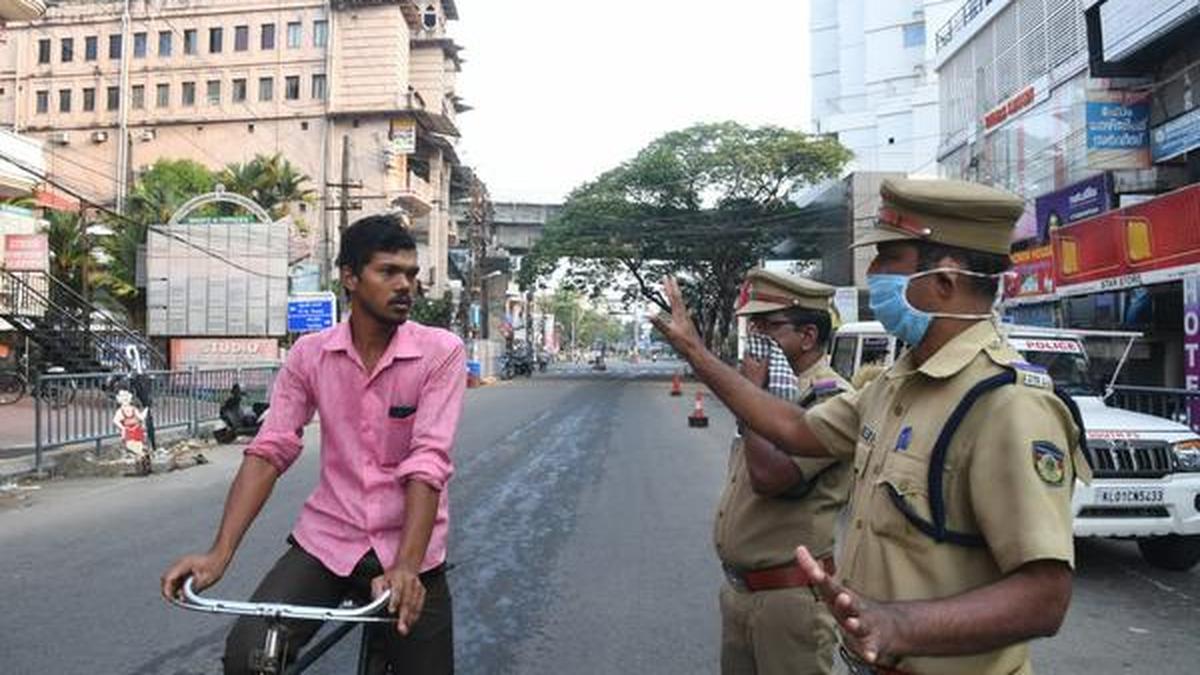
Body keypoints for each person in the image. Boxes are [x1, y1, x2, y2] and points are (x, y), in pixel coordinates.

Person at [652, 178, 1090, 675]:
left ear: (945, 279)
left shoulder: (1007, 403)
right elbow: (795, 430)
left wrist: (899, 625)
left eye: (888, 258)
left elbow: (1045, 597)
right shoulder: (893, 385)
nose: (873, 273)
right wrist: (695, 352)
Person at [161, 215, 465, 675]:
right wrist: (219, 554)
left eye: (411, 273)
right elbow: (270, 451)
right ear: (350, 277)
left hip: (410, 551)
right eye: (388, 271)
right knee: (247, 656)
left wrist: (406, 567)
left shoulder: (440, 351)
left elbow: (428, 461)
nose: (405, 285)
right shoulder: (310, 354)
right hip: (328, 541)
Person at [714, 269, 852, 675]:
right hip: (741, 592)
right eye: (753, 325)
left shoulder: (830, 399)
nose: (756, 336)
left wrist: (751, 395)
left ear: (807, 336)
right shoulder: (775, 391)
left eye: (769, 326)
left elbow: (769, 477)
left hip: (788, 600)